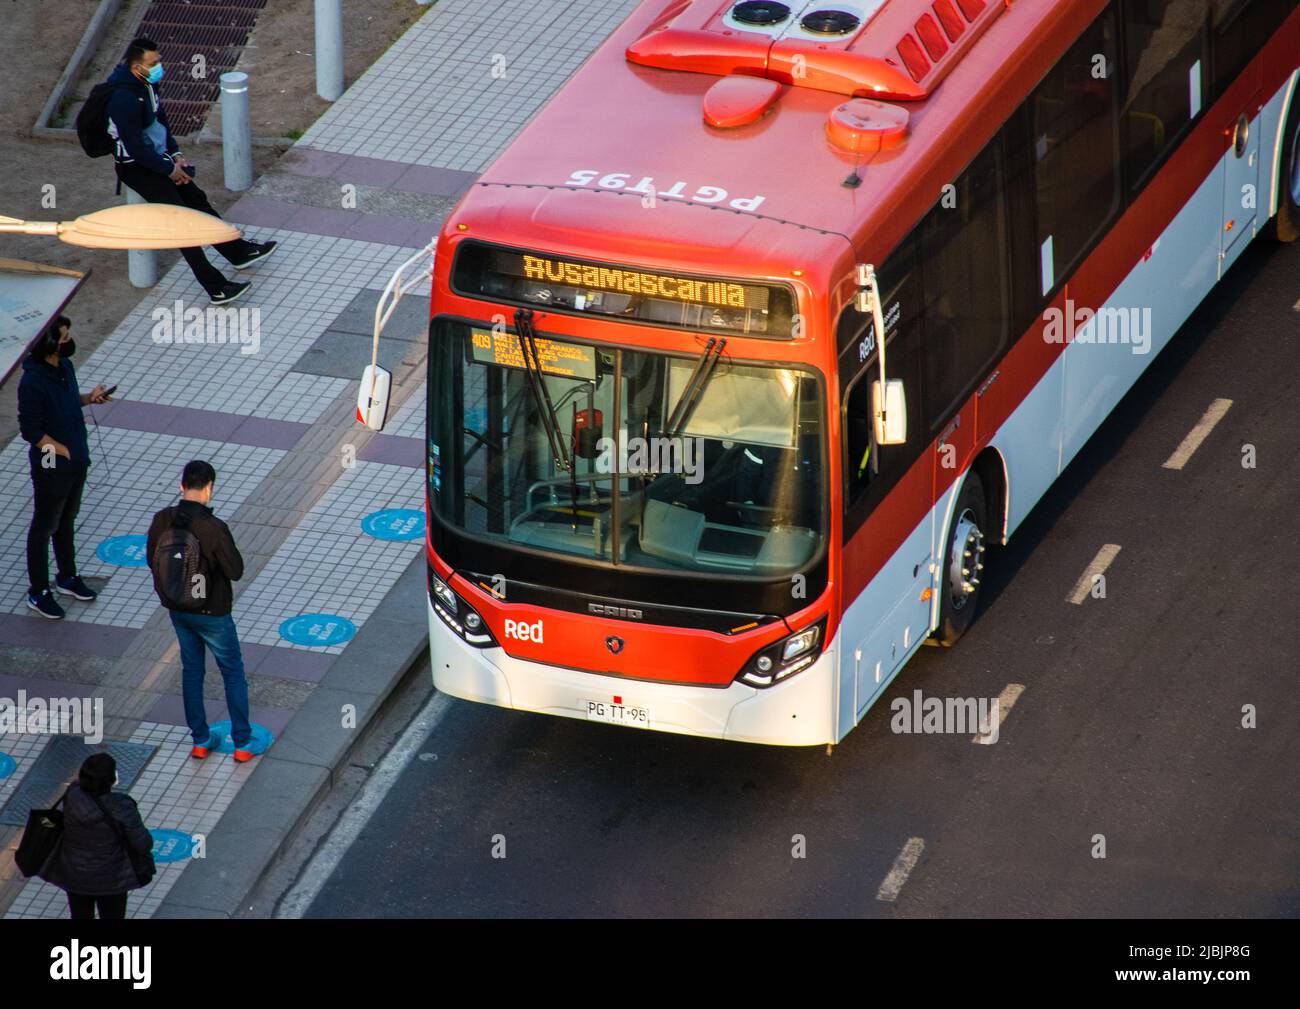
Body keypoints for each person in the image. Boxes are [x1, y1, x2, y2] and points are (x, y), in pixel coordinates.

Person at [105, 37, 277, 305]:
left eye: (159, 61)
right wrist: (169, 170)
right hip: (138, 168)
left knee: (197, 202)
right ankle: (216, 287)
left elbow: (160, 122)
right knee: (182, 224)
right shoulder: (123, 98)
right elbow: (135, 147)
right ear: (136, 67)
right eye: (154, 63)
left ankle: (238, 252)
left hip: (159, 159)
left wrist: (175, 155)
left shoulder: (147, 84)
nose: (160, 66)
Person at [147, 460, 256, 762]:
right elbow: (235, 571)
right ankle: (243, 744)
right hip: (213, 612)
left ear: (182, 486)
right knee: (232, 673)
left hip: (178, 609)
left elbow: (151, 560)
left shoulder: (161, 520)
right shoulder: (213, 528)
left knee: (192, 671)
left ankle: (200, 740)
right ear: (209, 489)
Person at [17, 317, 111, 620]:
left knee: (67, 519)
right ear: (48, 343)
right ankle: (38, 590)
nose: (67, 340)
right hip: (51, 465)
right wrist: (63, 451)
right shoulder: (31, 382)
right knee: (44, 526)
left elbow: (68, 403)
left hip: (76, 461)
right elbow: (31, 431)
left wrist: (88, 399)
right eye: (63, 337)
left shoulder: (64, 368)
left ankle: (67, 576)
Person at [40, 753, 154, 920]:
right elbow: (143, 844)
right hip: (111, 878)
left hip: (75, 872)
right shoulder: (121, 807)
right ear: (111, 779)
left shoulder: (73, 794)